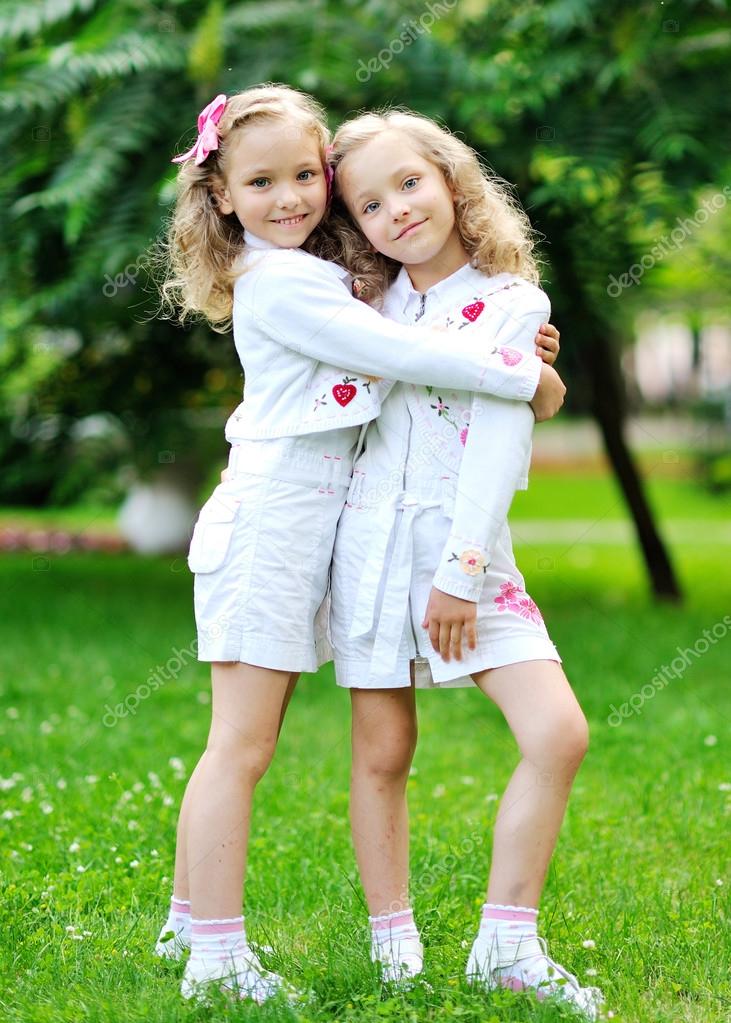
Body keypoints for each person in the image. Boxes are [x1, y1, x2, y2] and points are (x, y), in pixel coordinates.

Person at [153, 84, 565, 1003]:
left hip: (304, 524)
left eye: (307, 175)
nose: (291, 196)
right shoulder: (284, 282)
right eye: (262, 181)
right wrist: (521, 375)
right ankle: (217, 957)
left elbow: (407, 351)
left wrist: (523, 363)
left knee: (238, 744)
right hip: (270, 523)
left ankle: (185, 924)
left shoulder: (327, 277)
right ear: (221, 194)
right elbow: (407, 358)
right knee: (241, 747)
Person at [326, 109, 603, 1020]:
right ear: (354, 224)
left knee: (557, 732)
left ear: (451, 181)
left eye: (408, 183)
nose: (395, 211)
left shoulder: (515, 302)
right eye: (368, 203)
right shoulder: (358, 305)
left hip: (468, 559)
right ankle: (392, 941)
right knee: (383, 749)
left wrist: (462, 570)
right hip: (370, 552)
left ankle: (505, 942)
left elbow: (495, 439)